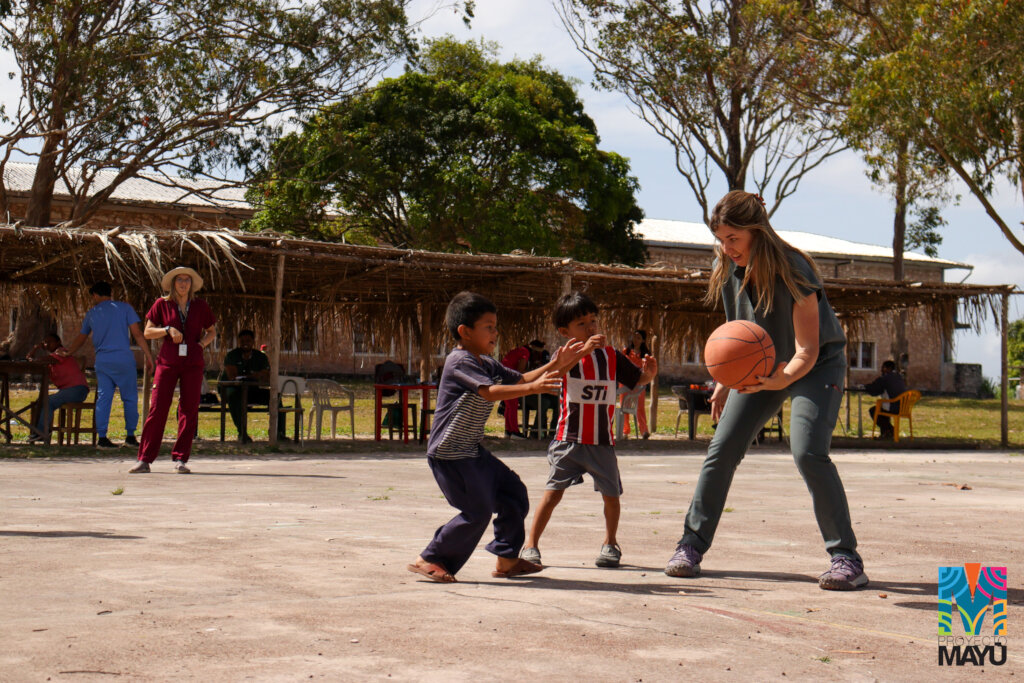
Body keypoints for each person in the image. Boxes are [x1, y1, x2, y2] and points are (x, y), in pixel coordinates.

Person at [664, 190, 867, 591]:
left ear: (756, 231)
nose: (727, 247)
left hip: (815, 364)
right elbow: (737, 334)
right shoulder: (726, 267)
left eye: (733, 239)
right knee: (721, 450)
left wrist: (781, 379)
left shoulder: (793, 269)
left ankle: (846, 558)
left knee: (808, 451)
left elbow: (807, 349)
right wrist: (725, 380)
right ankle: (690, 545)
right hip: (763, 367)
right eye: (721, 240)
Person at [406, 291, 585, 583]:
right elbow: (490, 392)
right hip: (450, 454)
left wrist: (556, 363)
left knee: (513, 493)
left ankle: (507, 559)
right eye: (488, 326)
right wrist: (534, 388)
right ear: (465, 331)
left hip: (472, 451)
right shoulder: (459, 361)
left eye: (495, 326)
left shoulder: (485, 362)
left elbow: (521, 379)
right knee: (477, 511)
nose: (495, 332)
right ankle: (430, 557)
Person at [520, 292, 657, 569]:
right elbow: (557, 372)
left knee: (611, 494)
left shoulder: (611, 355)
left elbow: (635, 379)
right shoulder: (565, 355)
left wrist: (649, 375)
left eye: (593, 320)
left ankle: (610, 543)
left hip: (602, 441)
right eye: (581, 324)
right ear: (564, 331)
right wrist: (582, 351)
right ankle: (531, 544)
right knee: (552, 493)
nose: (591, 327)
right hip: (568, 439)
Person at [130, 267, 216, 474]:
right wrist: (167, 330)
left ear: (191, 285)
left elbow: (212, 331)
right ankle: (145, 459)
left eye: (187, 280)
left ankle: (180, 459)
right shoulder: (162, 304)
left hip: (193, 363)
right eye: (180, 280)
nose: (183, 283)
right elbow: (148, 331)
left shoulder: (200, 305)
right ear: (172, 283)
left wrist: (201, 345)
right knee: (158, 407)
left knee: (189, 409)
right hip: (167, 362)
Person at [60, 281, 154, 448]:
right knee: (130, 398)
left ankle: (102, 437)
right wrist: (148, 356)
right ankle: (130, 436)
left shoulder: (92, 313)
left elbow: (81, 338)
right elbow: (138, 334)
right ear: (110, 293)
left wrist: (68, 352)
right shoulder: (125, 308)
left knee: (104, 398)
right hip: (124, 360)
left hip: (103, 361)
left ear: (95, 295)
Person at [219, 329, 285, 443]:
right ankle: (242, 432)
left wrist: (250, 375)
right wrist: (254, 375)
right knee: (233, 397)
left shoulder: (260, 357)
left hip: (252, 389)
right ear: (239, 342)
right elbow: (232, 375)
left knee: (275, 397)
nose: (245, 343)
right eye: (242, 341)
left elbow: (265, 376)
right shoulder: (232, 356)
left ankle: (279, 432)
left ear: (253, 342)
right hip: (233, 389)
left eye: (248, 340)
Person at [25, 333, 90, 442]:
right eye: (45, 342)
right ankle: (39, 432)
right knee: (41, 401)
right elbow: (30, 359)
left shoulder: (61, 352)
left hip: (77, 390)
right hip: (68, 391)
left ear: (58, 342)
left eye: (50, 342)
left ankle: (42, 432)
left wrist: (34, 354)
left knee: (47, 401)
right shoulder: (51, 359)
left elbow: (37, 360)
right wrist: (36, 348)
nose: (47, 345)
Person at [863, 360, 907, 440]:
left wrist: (864, 387)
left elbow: (875, 388)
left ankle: (890, 430)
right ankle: (886, 434)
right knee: (882, 409)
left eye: (883, 368)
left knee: (874, 410)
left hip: (893, 406)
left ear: (888, 368)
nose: (882, 370)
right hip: (904, 407)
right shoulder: (899, 377)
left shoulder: (885, 378)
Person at [620, 329, 652, 439]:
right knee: (624, 406)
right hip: (625, 383)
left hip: (639, 383)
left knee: (640, 407)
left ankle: (644, 431)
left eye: (638, 338)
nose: (635, 340)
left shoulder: (645, 355)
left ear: (643, 340)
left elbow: (647, 369)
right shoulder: (626, 351)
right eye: (634, 337)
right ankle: (625, 431)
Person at [499, 342, 531, 436]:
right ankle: (515, 431)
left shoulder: (515, 351)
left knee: (509, 406)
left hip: (504, 378)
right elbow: (520, 370)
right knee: (513, 406)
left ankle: (508, 430)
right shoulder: (524, 351)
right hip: (511, 380)